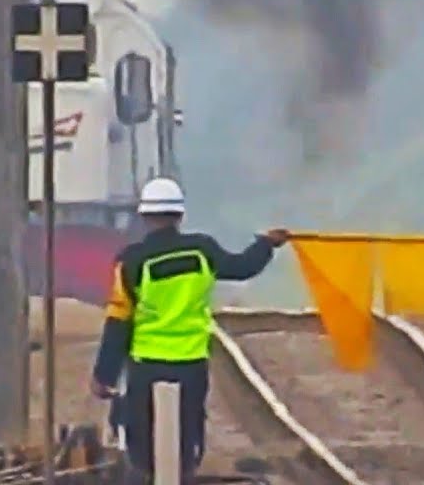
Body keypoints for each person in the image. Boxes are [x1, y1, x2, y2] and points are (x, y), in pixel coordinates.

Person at [89, 177, 290, 483]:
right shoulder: (203, 250)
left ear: (143, 217)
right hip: (191, 364)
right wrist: (265, 244)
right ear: (179, 216)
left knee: (141, 440)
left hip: (147, 365)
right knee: (186, 434)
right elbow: (243, 267)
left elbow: (119, 321)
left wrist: (104, 376)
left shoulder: (131, 261)